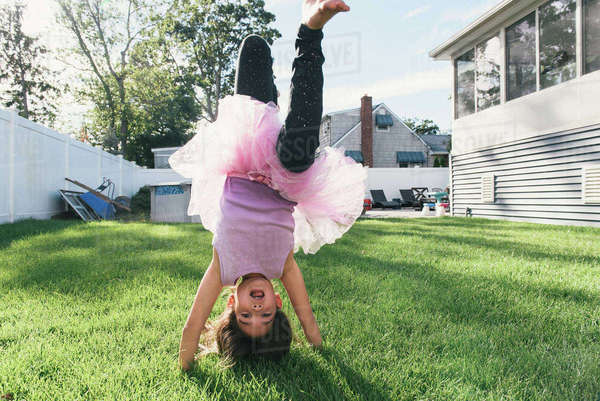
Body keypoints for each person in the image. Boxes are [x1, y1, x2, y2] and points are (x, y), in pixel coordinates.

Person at [171, 0, 367, 371]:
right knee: (297, 152)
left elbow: (193, 324)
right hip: (285, 175)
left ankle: (273, 93)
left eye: (246, 318)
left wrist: (185, 366)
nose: (257, 311)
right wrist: (318, 345)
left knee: (254, 45)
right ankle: (310, 33)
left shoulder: (223, 268)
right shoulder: (283, 265)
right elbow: (307, 313)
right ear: (279, 301)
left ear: (232, 303)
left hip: (243, 152)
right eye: (266, 316)